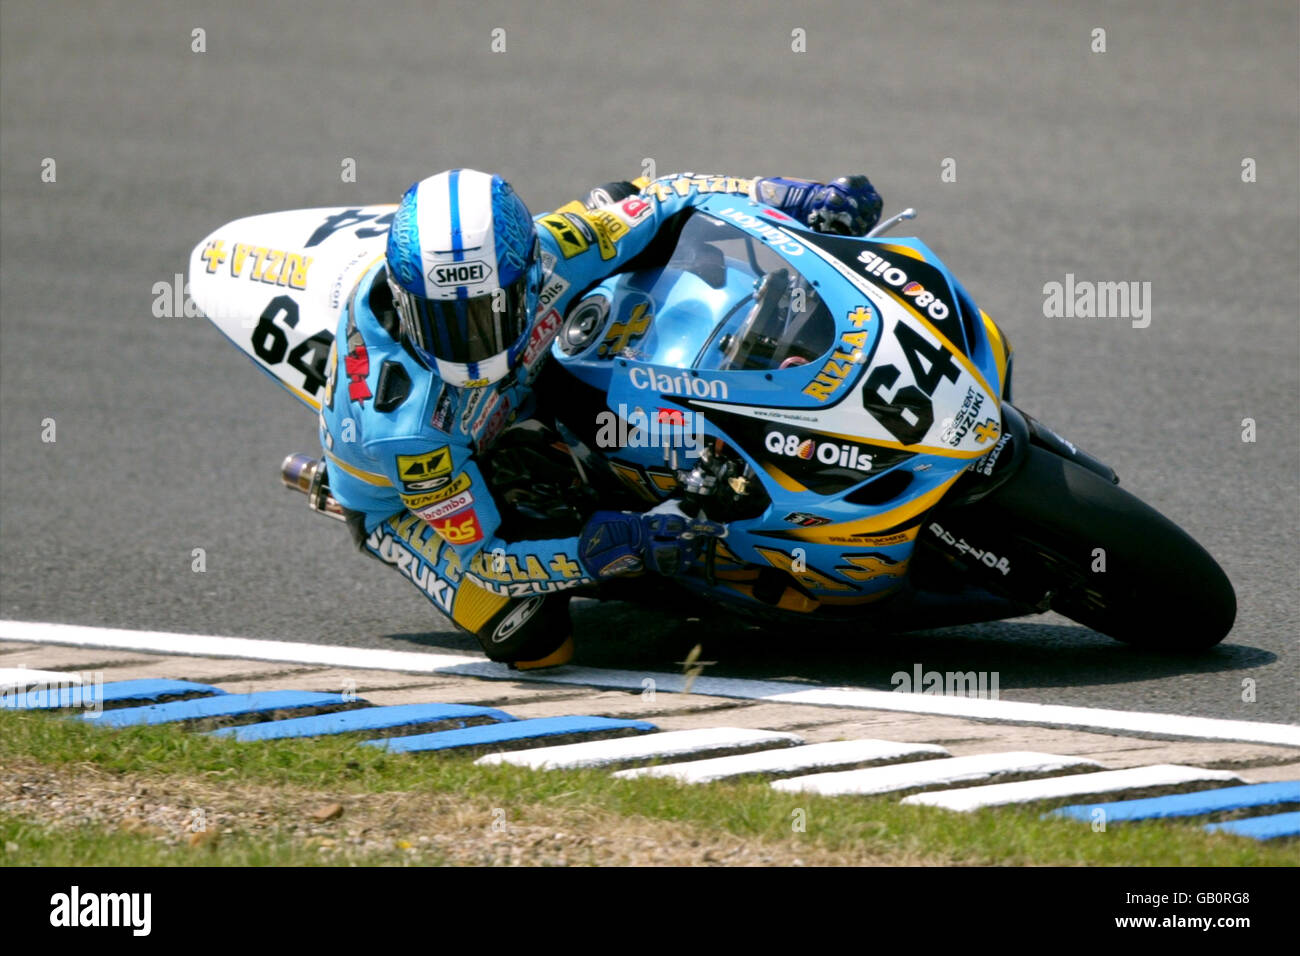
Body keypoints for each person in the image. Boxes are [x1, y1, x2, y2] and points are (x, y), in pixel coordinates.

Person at [317, 169, 882, 668]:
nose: (470, 342)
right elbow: (489, 563)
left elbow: (671, 195)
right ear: (406, 297)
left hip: (529, 388)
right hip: (404, 503)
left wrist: (790, 195)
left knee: (625, 205)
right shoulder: (411, 435)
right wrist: (617, 545)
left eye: (488, 312)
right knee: (533, 639)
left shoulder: (551, 248)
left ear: (529, 271)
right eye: (445, 320)